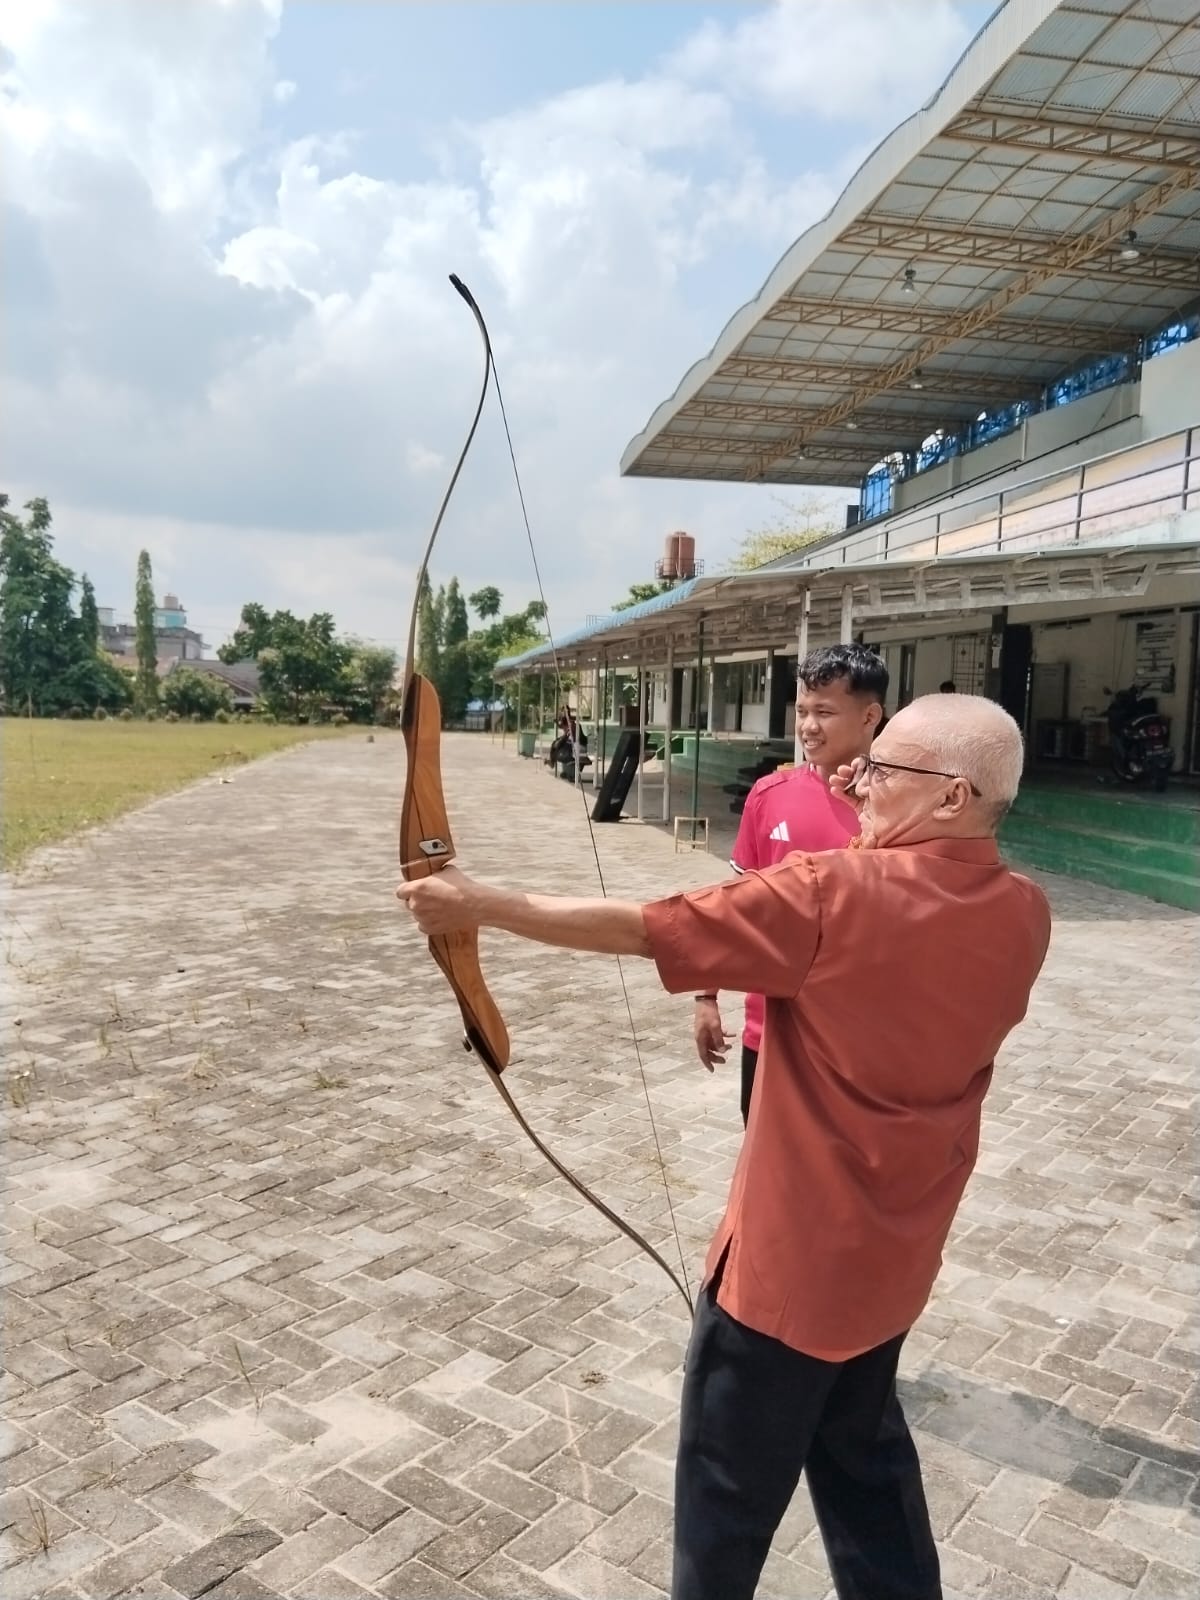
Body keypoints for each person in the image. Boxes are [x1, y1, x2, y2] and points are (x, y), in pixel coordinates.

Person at [396, 693, 1051, 1600]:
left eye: (882, 770)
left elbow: (644, 927)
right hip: (893, 1264)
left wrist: (479, 904)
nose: (856, 782)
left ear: (951, 797)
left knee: (724, 1512)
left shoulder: (828, 894)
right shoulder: (1024, 912)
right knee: (866, 1472)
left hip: (784, 1282)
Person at [695, 643, 887, 1126]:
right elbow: (739, 906)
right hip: (771, 1030)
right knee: (766, 1172)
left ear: (870, 717)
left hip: (863, 1038)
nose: (808, 725)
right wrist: (707, 996)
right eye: (802, 710)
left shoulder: (899, 805)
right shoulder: (769, 795)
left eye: (825, 711)